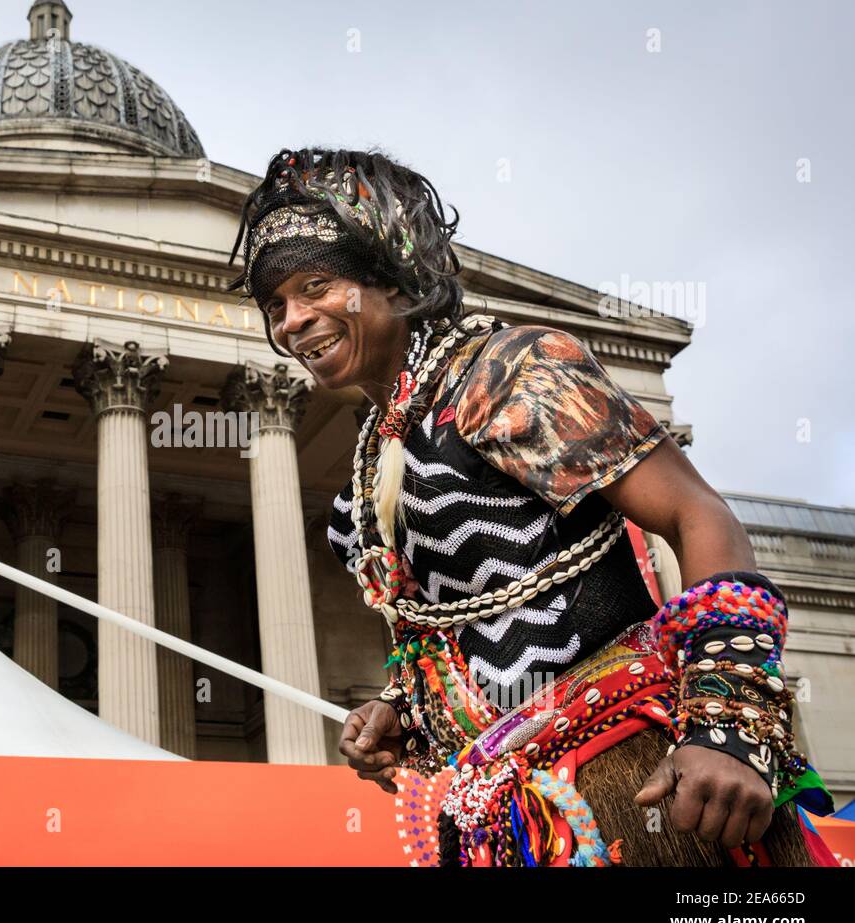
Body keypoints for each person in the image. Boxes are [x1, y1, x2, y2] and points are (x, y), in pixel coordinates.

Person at [227, 147, 833, 866]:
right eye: (276, 307)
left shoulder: (507, 373)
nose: (293, 321)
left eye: (316, 286)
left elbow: (700, 517)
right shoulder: (358, 489)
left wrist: (727, 732)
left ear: (386, 276)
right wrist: (401, 712)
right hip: (508, 819)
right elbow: (453, 636)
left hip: (637, 786)